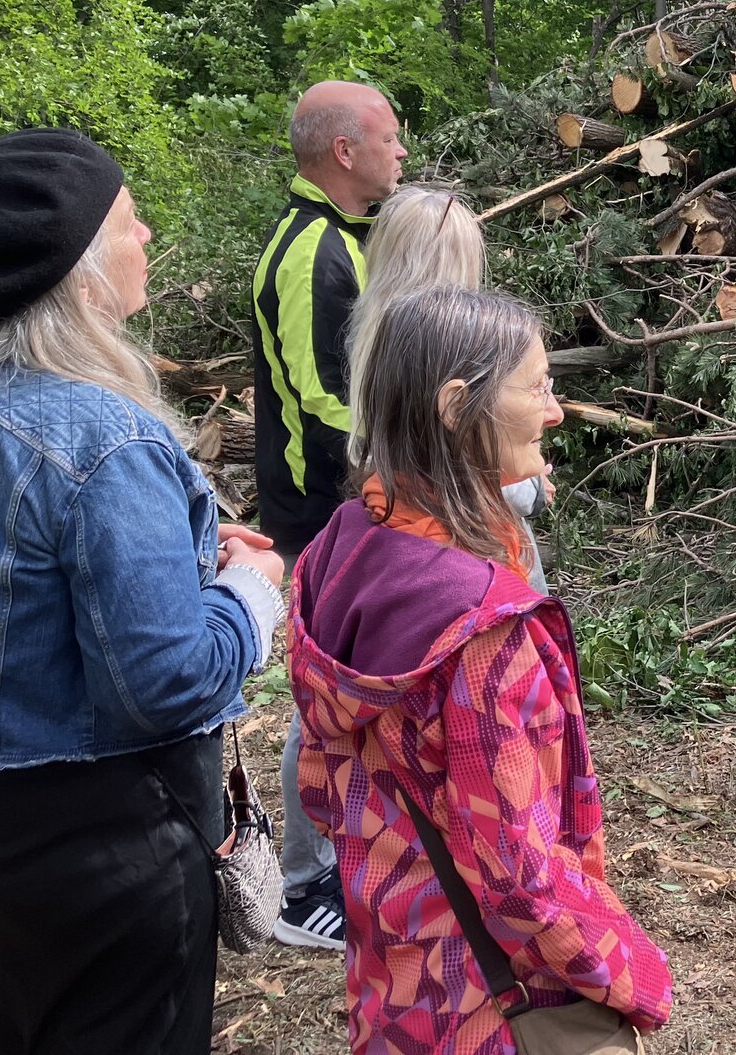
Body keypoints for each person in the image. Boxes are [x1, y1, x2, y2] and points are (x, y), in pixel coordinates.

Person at [0, 129, 286, 1055]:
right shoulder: (104, 435)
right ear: (75, 270)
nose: (150, 234)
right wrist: (248, 591)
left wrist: (176, 565)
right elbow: (165, 682)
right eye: (129, 220)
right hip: (102, 858)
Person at [291, 285, 671, 1052]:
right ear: (457, 404)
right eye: (537, 387)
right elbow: (517, 875)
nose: (556, 410)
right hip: (487, 1011)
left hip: (393, 979)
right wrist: (631, 973)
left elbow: (326, 785)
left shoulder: (344, 545)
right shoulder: (482, 632)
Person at [254, 80, 406, 950]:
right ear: (343, 151)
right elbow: (325, 405)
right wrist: (418, 459)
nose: (402, 153)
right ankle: (302, 886)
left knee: (359, 687)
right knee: (327, 694)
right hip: (322, 510)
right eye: (388, 139)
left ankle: (346, 857)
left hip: (350, 502)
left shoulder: (349, 240)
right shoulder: (312, 251)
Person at [350, 185, 553, 592]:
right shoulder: (450, 343)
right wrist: (526, 488)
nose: (553, 411)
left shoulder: (372, 331)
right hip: (470, 546)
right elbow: (442, 481)